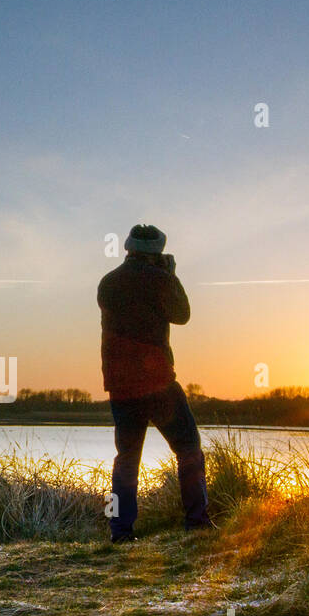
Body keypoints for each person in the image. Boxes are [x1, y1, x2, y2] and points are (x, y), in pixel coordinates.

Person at [98, 224, 213, 542]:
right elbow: (182, 314)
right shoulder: (161, 280)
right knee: (188, 448)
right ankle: (196, 521)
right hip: (158, 382)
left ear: (128, 248)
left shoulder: (108, 283)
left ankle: (120, 532)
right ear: (157, 251)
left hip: (120, 386)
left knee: (127, 458)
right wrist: (172, 275)